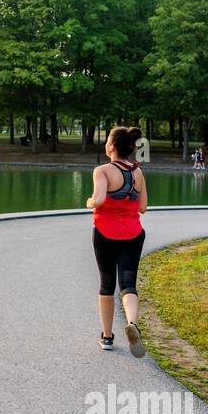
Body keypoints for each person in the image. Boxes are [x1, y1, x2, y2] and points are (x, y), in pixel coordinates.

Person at [86, 125, 149, 357]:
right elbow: (142, 207)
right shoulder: (138, 172)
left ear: (111, 146)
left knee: (106, 285)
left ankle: (107, 337)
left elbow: (100, 199)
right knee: (128, 284)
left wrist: (90, 202)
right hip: (133, 234)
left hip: (105, 233)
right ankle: (132, 323)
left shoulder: (102, 170)